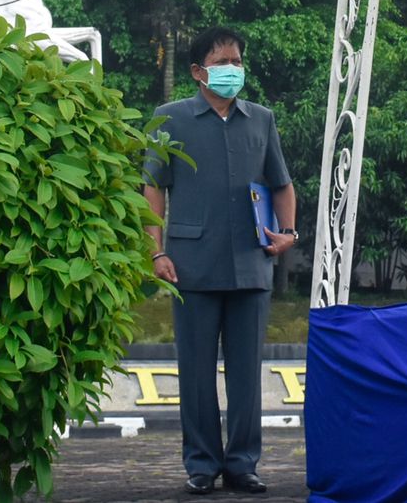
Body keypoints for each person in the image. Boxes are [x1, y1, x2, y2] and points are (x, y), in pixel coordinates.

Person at [145, 26, 296, 496]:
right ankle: (201, 464)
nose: (233, 69)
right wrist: (156, 250)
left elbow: (281, 184)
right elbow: (152, 188)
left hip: (252, 263)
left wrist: (288, 234)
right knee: (194, 371)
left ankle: (243, 463)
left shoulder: (261, 119)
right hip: (190, 263)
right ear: (197, 71)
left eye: (237, 61)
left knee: (248, 373)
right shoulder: (169, 118)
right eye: (223, 61)